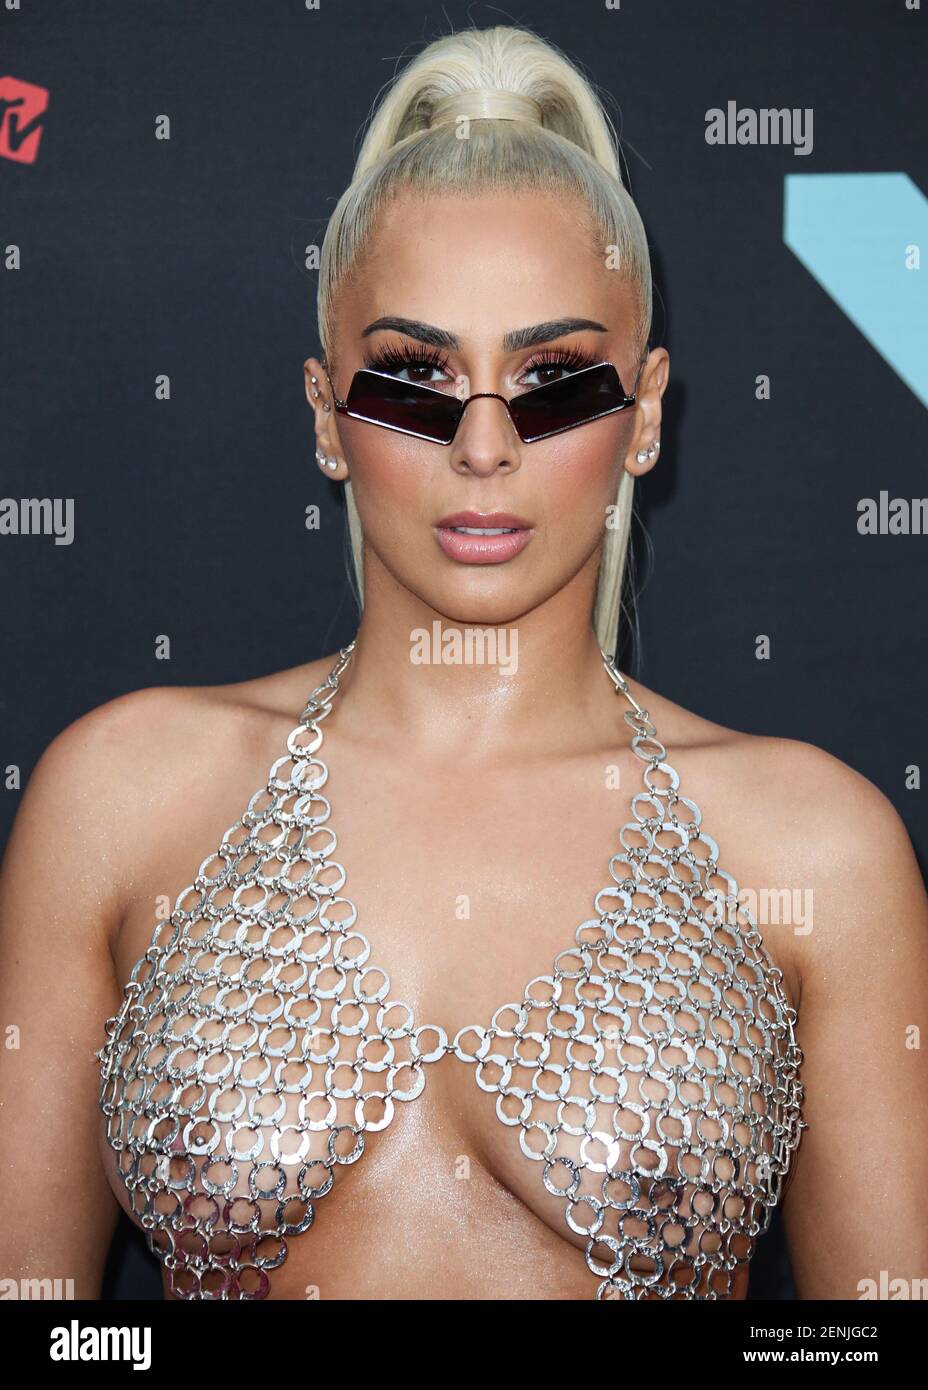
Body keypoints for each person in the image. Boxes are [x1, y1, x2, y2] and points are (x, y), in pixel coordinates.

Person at [1, 23, 926, 1303]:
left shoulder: (811, 849)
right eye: (413, 377)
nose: (483, 443)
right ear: (327, 413)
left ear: (645, 412)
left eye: (552, 380)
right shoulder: (119, 799)